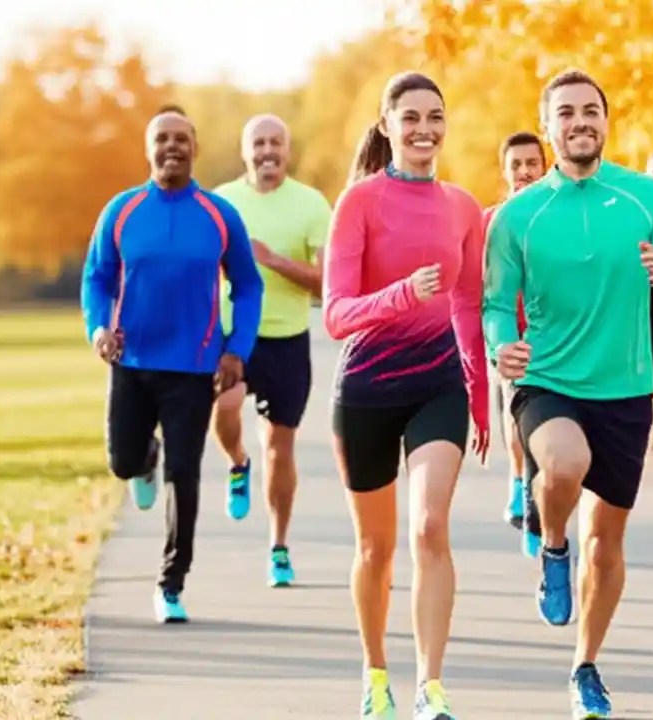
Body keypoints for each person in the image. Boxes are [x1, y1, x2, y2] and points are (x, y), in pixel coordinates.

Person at [483, 69, 653, 720]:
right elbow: (495, 303)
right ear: (547, 126)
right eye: (566, 113)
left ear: (607, 122)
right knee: (563, 464)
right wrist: (503, 345)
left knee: (607, 544)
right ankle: (552, 543)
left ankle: (585, 666)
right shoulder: (518, 215)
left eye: (591, 111)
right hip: (546, 379)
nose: (580, 122)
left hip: (625, 391)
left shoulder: (647, 199)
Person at [323, 71, 489, 720]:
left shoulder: (463, 206)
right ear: (388, 124)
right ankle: (376, 673)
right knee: (376, 547)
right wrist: (403, 295)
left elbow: (471, 304)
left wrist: (478, 396)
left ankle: (431, 684)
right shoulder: (359, 202)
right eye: (411, 116)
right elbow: (336, 315)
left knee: (429, 526)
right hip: (365, 388)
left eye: (435, 116)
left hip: (437, 384)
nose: (424, 128)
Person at [81, 109, 264, 624]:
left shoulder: (219, 215)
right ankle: (144, 456)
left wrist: (236, 350)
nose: (172, 146)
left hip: (193, 367)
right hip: (132, 361)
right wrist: (98, 328)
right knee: (123, 461)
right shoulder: (121, 211)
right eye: (162, 138)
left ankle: (171, 584)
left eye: (181, 138)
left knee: (184, 474)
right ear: (148, 149)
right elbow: (96, 278)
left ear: (195, 148)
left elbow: (248, 286)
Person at [211, 113, 332, 588]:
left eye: (275, 143)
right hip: (232, 334)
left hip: (287, 339)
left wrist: (274, 261)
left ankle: (278, 546)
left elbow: (326, 282)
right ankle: (237, 463)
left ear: (287, 149)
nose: (267, 151)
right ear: (246, 151)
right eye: (258, 143)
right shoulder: (222, 201)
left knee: (280, 450)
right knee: (226, 408)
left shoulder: (310, 204)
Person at [486, 131, 547, 557]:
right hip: (510, 339)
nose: (525, 171)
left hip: (555, 339)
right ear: (504, 171)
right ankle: (523, 487)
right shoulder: (492, 220)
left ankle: (533, 493)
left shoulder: (560, 213)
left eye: (532, 163)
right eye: (516, 165)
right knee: (515, 420)